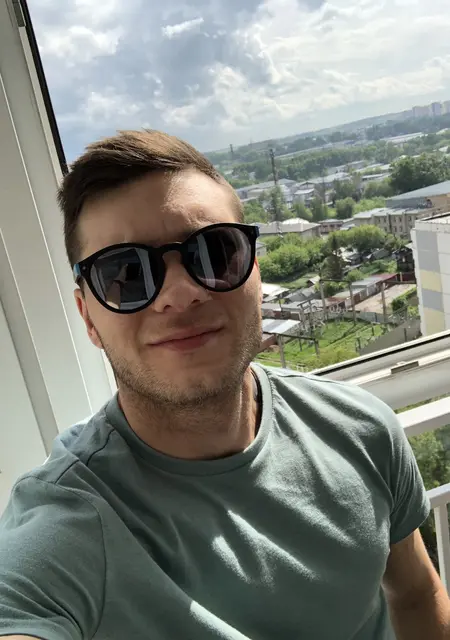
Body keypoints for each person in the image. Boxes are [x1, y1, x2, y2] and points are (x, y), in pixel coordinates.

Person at [0, 130, 448, 640]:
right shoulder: (71, 522)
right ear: (88, 318)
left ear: (255, 271)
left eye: (214, 252)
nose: (179, 292)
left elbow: (416, 593)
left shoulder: (360, 428)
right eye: (125, 272)